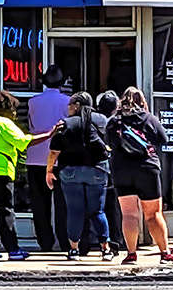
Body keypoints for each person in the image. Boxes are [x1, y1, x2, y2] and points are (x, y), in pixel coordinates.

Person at [0, 90, 59, 262]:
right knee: (5, 210)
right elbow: (24, 142)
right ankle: (13, 250)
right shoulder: (4, 123)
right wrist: (49, 134)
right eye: (13, 109)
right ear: (6, 108)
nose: (15, 113)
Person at [106, 86, 173, 264]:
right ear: (142, 101)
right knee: (153, 214)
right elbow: (164, 139)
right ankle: (165, 252)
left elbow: (108, 143)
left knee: (129, 214)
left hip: (122, 170)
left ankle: (131, 254)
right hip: (147, 168)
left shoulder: (113, 122)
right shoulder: (149, 119)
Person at [46, 91, 114, 262]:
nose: (68, 108)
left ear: (76, 106)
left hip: (70, 171)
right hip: (97, 170)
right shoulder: (102, 120)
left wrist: (49, 171)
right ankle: (105, 249)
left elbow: (54, 151)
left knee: (75, 211)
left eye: (70, 105)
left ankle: (74, 250)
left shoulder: (66, 124)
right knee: (97, 210)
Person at [26, 65, 69, 252]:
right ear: (62, 82)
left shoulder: (33, 102)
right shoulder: (68, 102)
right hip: (60, 157)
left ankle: (45, 241)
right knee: (62, 202)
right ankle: (65, 240)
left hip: (35, 157)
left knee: (39, 203)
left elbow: (31, 124)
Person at [78, 90, 125, 257]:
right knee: (112, 209)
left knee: (91, 208)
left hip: (94, 168)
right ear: (116, 108)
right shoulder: (115, 123)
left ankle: (86, 242)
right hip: (111, 170)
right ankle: (116, 242)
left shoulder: (91, 120)